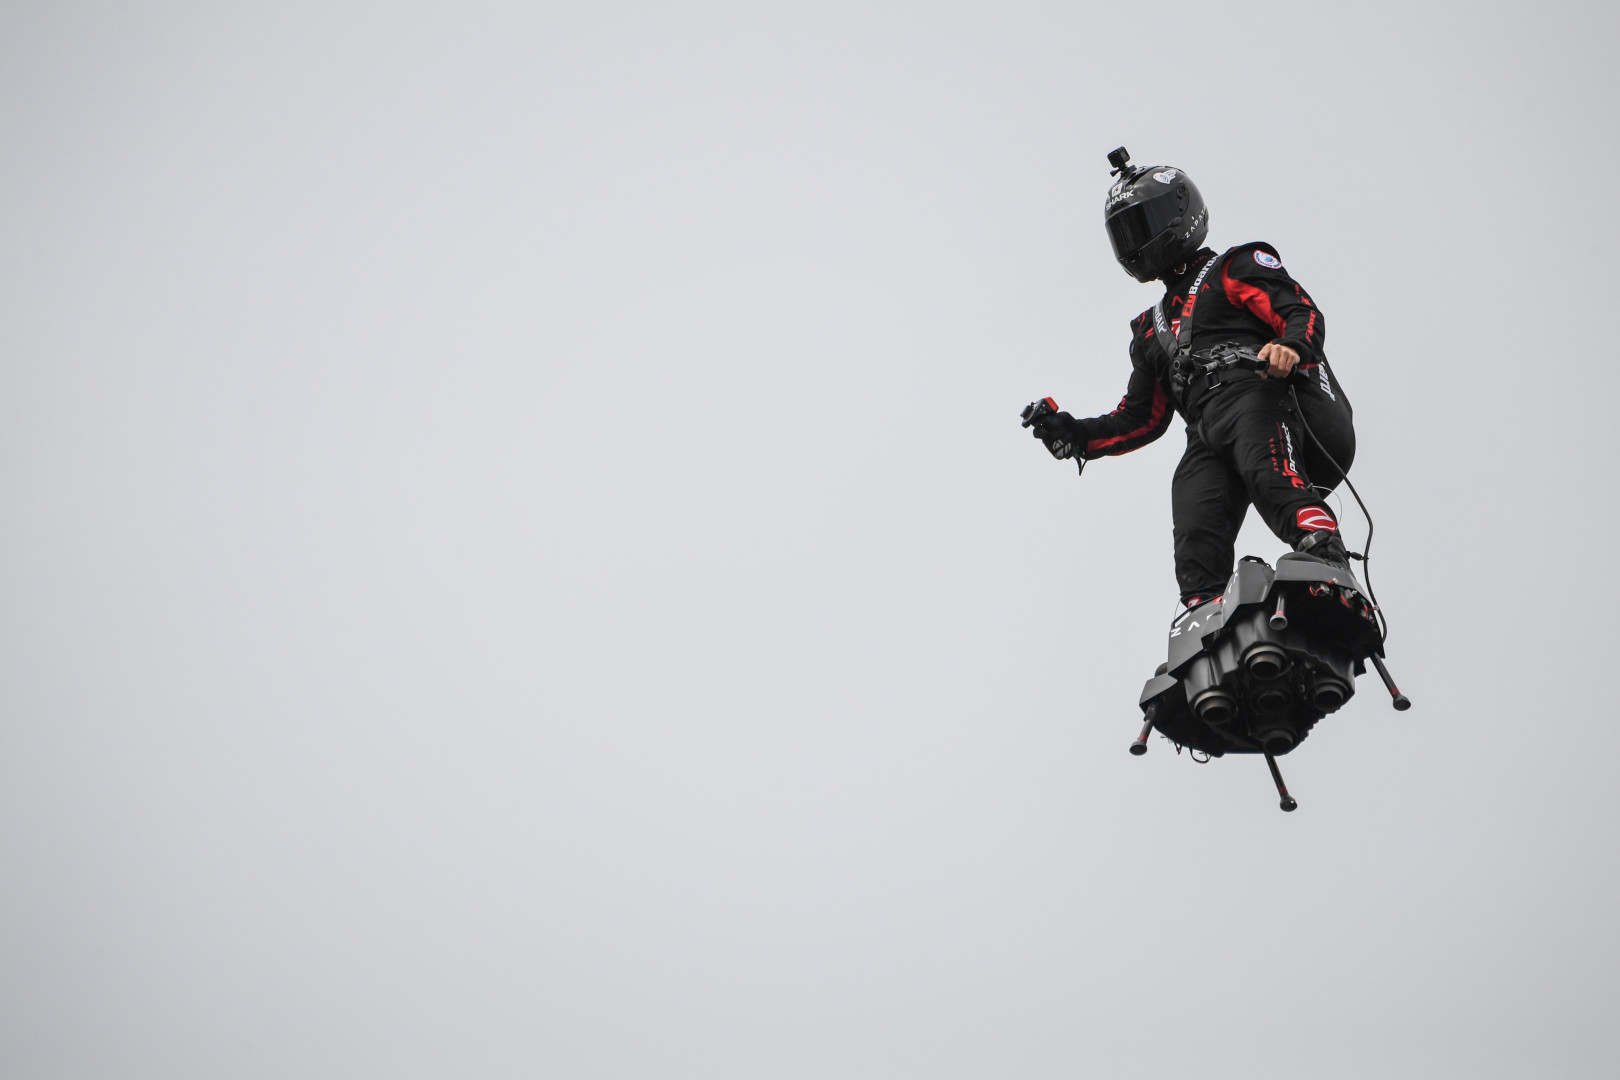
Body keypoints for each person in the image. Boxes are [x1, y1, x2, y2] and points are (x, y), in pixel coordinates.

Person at [1027, 148, 1357, 609]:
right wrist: (1077, 434)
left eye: (1140, 226)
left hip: (1256, 394)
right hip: (1203, 428)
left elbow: (1299, 311)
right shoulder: (1149, 328)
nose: (1134, 242)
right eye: (1125, 233)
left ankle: (1324, 556)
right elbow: (1142, 418)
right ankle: (1204, 620)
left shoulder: (1234, 266)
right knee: (1194, 519)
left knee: (1269, 474)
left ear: (1179, 215)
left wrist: (1292, 347)